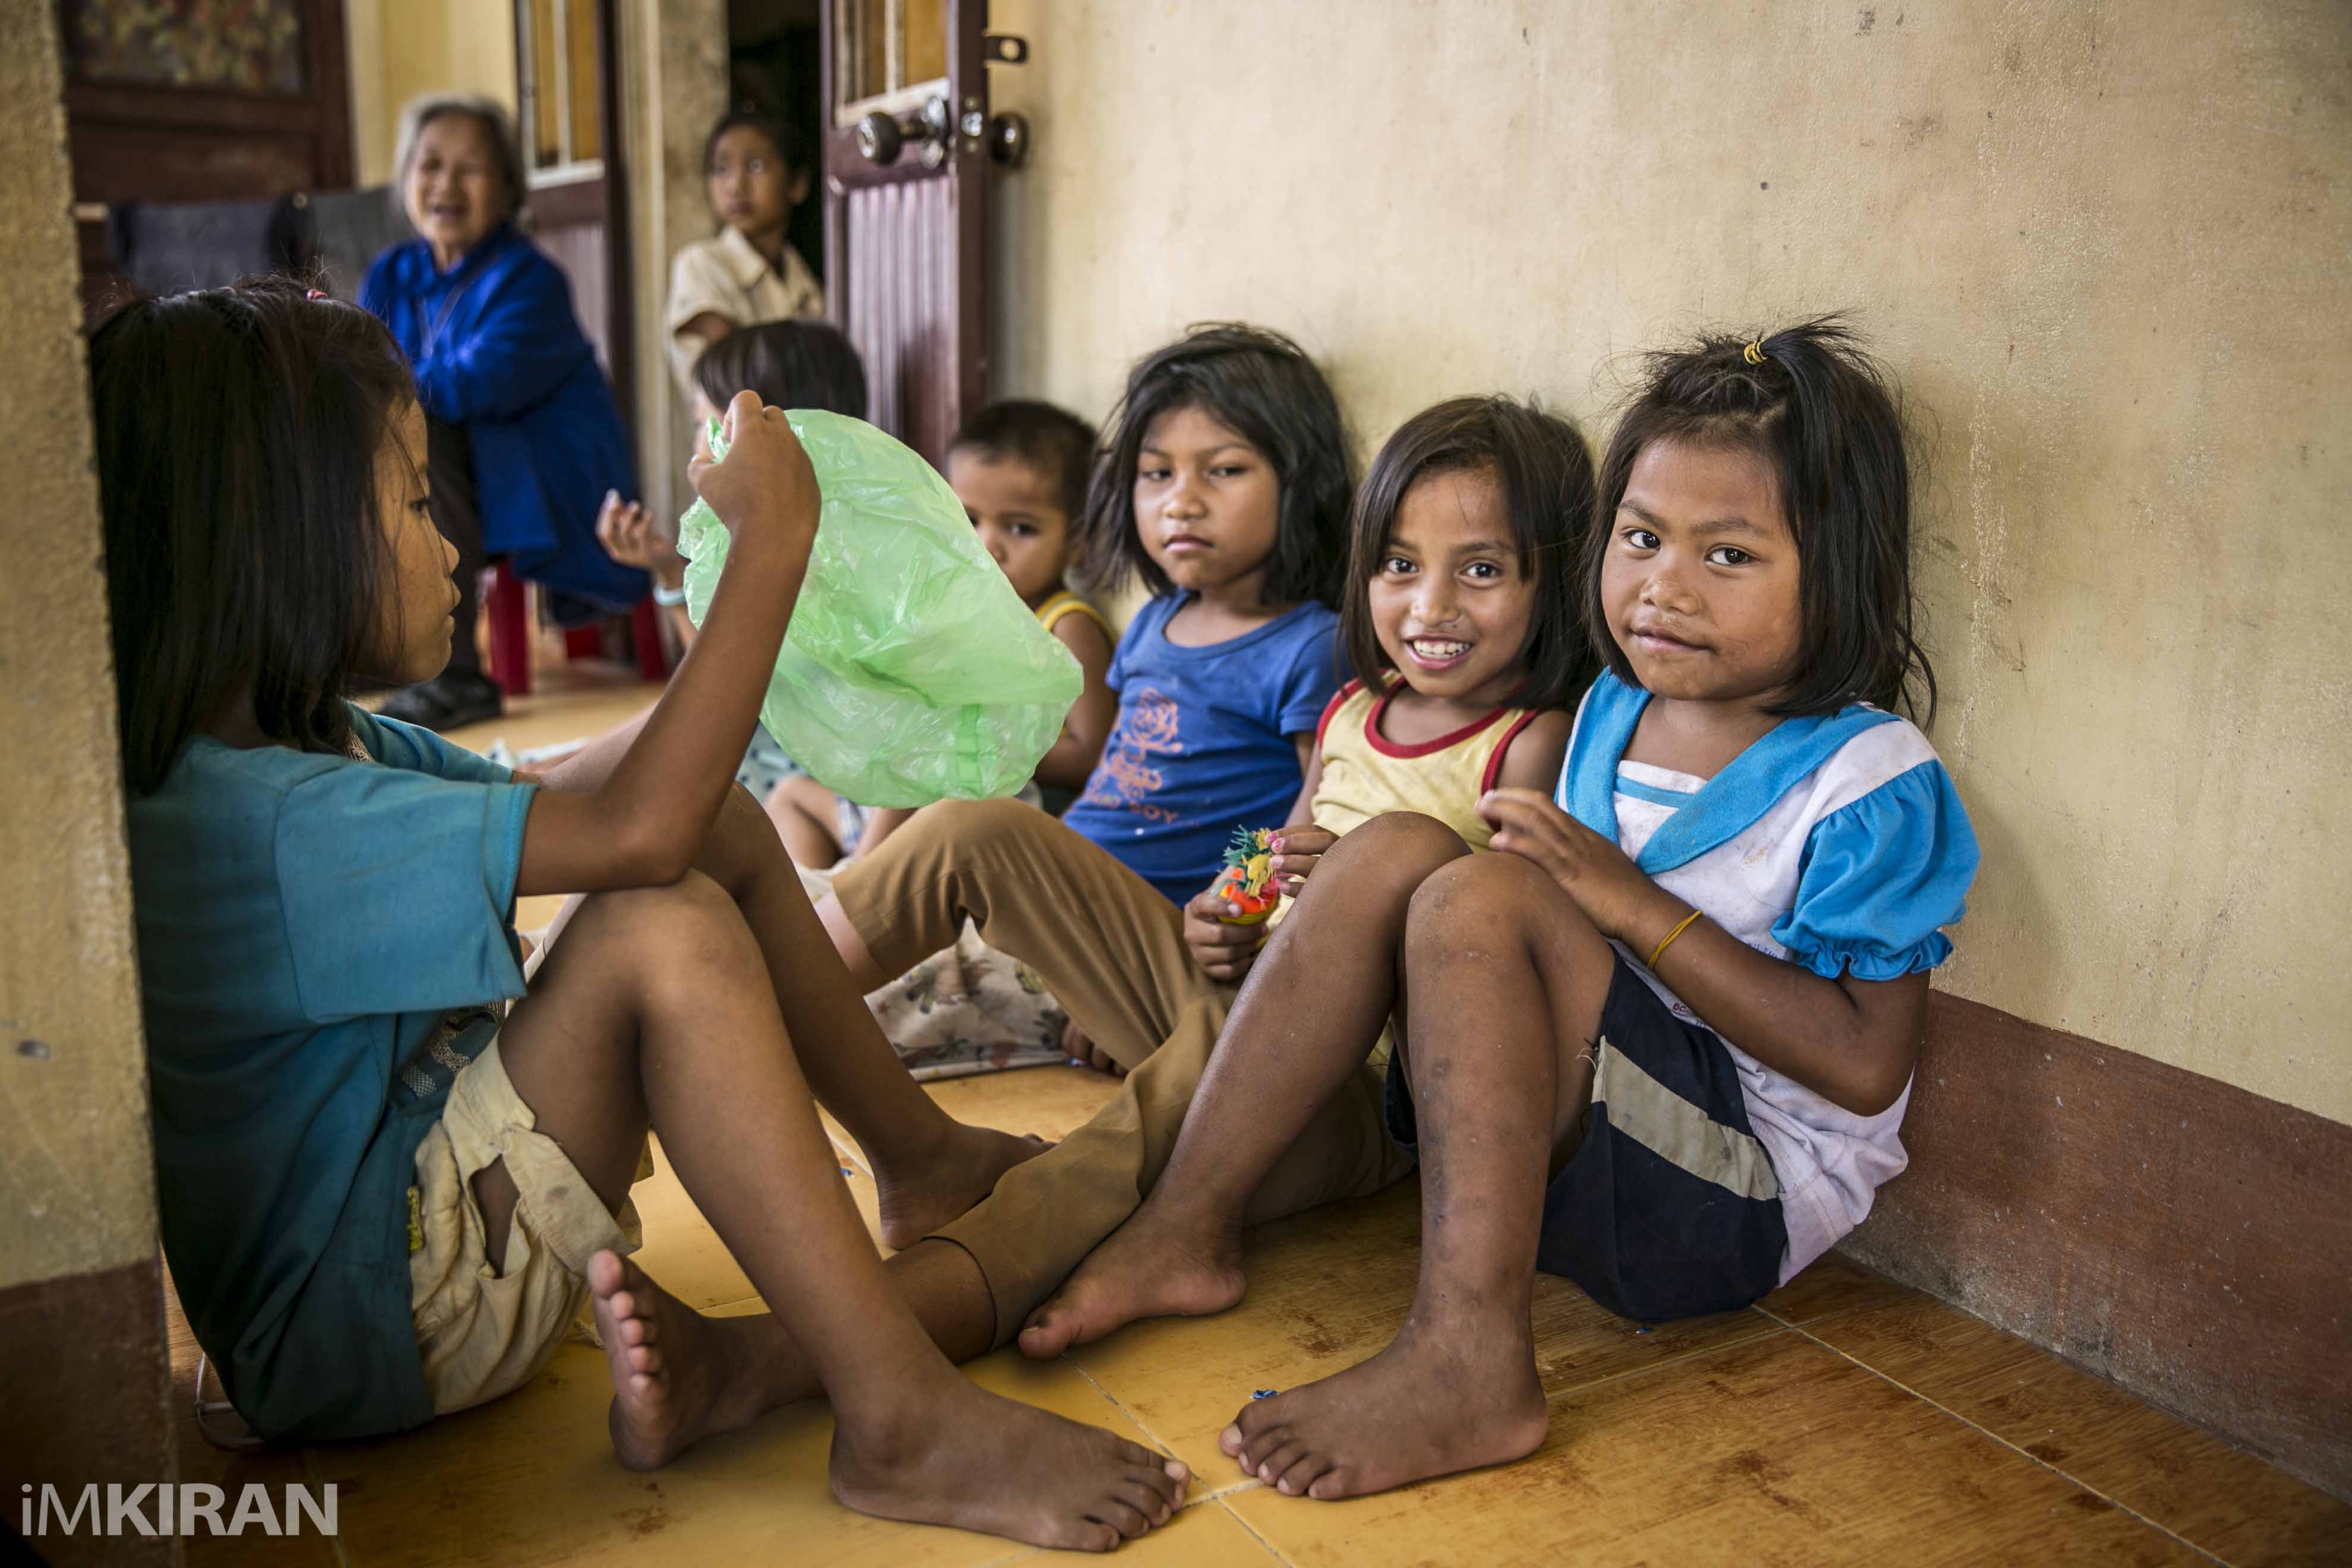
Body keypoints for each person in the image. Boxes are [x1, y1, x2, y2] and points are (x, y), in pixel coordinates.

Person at [97, 283, 1187, 1551]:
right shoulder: (266, 818)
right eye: (409, 499)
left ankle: (919, 1157)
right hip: (376, 1318)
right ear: (271, 544)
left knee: (719, 820)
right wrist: (768, 554)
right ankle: (899, 1416)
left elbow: (584, 790)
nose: (451, 539)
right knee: (660, 925)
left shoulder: (291, 747)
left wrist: (754, 644)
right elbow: (631, 840)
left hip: (402, 1232)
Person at [1030, 319, 1982, 1502]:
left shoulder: (1869, 779)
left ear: (1834, 566)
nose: (1663, 586)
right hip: (1567, 1144)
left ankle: (1470, 1358)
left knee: (1482, 885)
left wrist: (1635, 909)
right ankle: (1187, 1223)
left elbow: (1863, 1066)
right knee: (1396, 852)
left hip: (1730, 1197)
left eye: (1727, 556)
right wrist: (1259, 898)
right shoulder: (1605, 718)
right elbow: (1367, 875)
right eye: (1641, 538)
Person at [804, 394, 1598, 1366]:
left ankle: (923, 1303)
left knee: (1194, 1068)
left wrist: (1347, 903)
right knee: (980, 828)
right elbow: (1275, 854)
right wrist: (1229, 913)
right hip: (1248, 999)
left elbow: (1493, 977)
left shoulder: (1534, 744)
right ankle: (757, 1010)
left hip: (1361, 1095)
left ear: (1554, 582)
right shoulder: (1355, 706)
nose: (1430, 607)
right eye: (1400, 565)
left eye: (1480, 571)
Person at [814, 322, 1355, 1081]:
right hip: (1058, 907)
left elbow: (1302, 818)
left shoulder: (1308, 647)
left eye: (1224, 471)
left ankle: (745, 1015)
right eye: (1157, 474)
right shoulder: (1156, 624)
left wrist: (1222, 926)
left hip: (1145, 939)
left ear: (1302, 483)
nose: (1182, 503)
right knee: (805, 904)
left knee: (862, 1005)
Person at [361, 93, 645, 731]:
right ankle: (371, 645)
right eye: (431, 165)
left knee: (419, 427)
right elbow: (361, 364)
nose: (447, 186)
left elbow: (473, 384)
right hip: (467, 469)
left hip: (545, 478)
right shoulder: (391, 271)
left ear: (508, 187)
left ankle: (456, 674)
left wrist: (371, 396)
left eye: (471, 169)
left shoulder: (530, 279)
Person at [766, 397, 1116, 867]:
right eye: (969, 520)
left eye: (1020, 528)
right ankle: (809, 903)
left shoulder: (1066, 623)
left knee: (929, 754)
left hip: (984, 809)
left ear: (1076, 542)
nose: (987, 544)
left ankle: (854, 885)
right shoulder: (962, 611)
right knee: (789, 795)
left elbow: (1092, 754)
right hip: (902, 800)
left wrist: (970, 731)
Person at [598, 318, 870, 653]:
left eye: (701, 424)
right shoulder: (831, 525)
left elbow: (717, 702)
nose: (696, 444)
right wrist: (669, 570)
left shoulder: (795, 556)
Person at [665, 108, 829, 403]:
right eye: (721, 169)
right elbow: (736, 379)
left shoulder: (802, 281)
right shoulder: (700, 264)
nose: (736, 186)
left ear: (797, 184)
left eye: (755, 166)